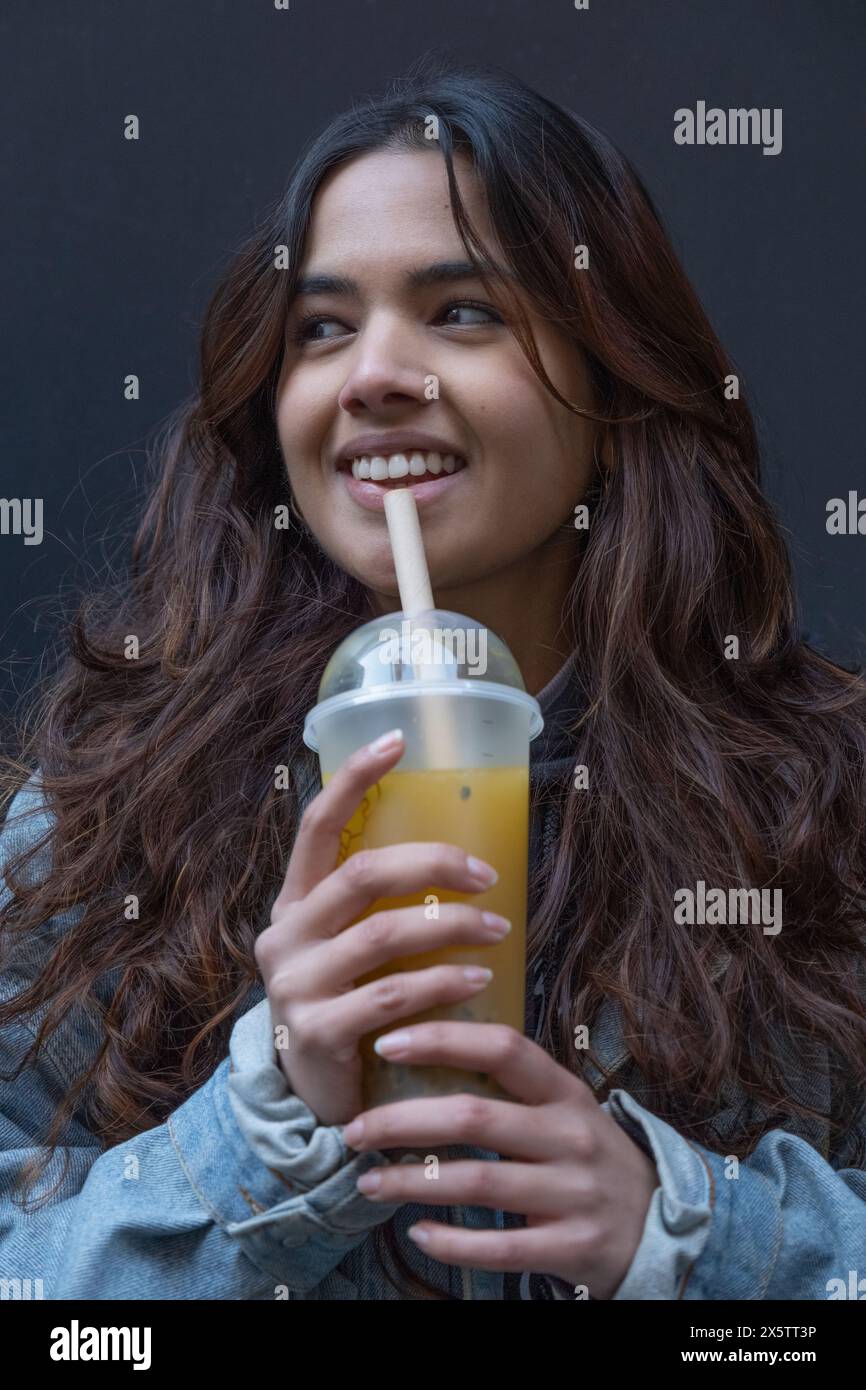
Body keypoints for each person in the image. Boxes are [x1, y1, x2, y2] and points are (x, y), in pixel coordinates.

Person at [1, 55, 865, 1301]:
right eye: (322, 327)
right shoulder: (87, 829)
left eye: (461, 311)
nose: (371, 375)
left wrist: (697, 1241)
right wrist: (265, 1129)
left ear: (615, 377)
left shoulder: (823, 811)